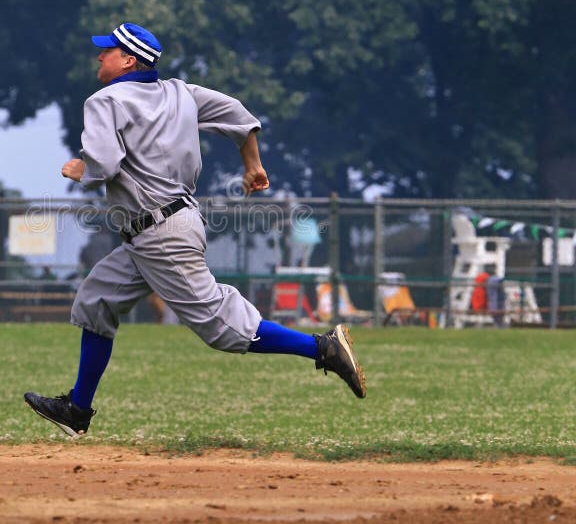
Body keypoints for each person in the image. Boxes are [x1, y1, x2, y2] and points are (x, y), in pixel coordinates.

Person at [24, 22, 366, 437]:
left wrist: (81, 167)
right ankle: (77, 410)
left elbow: (105, 163)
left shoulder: (104, 99)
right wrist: (253, 163)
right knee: (97, 300)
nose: (100, 56)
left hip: (159, 233)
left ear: (128, 60)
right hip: (159, 228)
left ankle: (323, 348)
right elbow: (239, 115)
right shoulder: (180, 93)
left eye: (107, 50)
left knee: (222, 325)